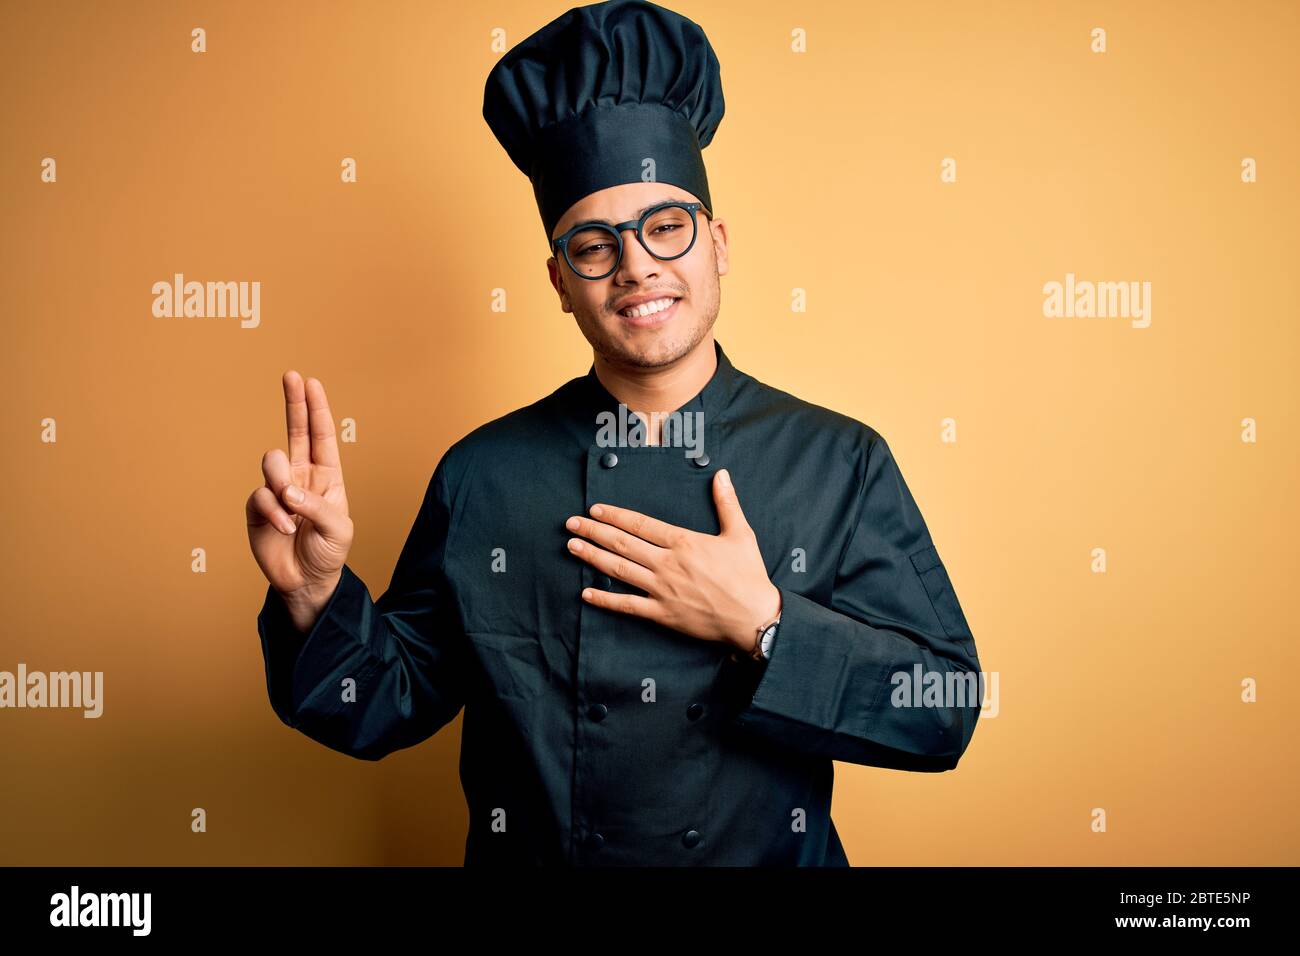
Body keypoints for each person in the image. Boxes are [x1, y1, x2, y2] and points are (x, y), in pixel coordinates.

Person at [245, 0, 982, 866]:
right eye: (595, 245)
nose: (637, 266)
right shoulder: (483, 474)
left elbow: (943, 710)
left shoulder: (839, 461)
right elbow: (386, 704)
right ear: (561, 281)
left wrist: (764, 624)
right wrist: (315, 598)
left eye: (666, 227)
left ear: (717, 244)